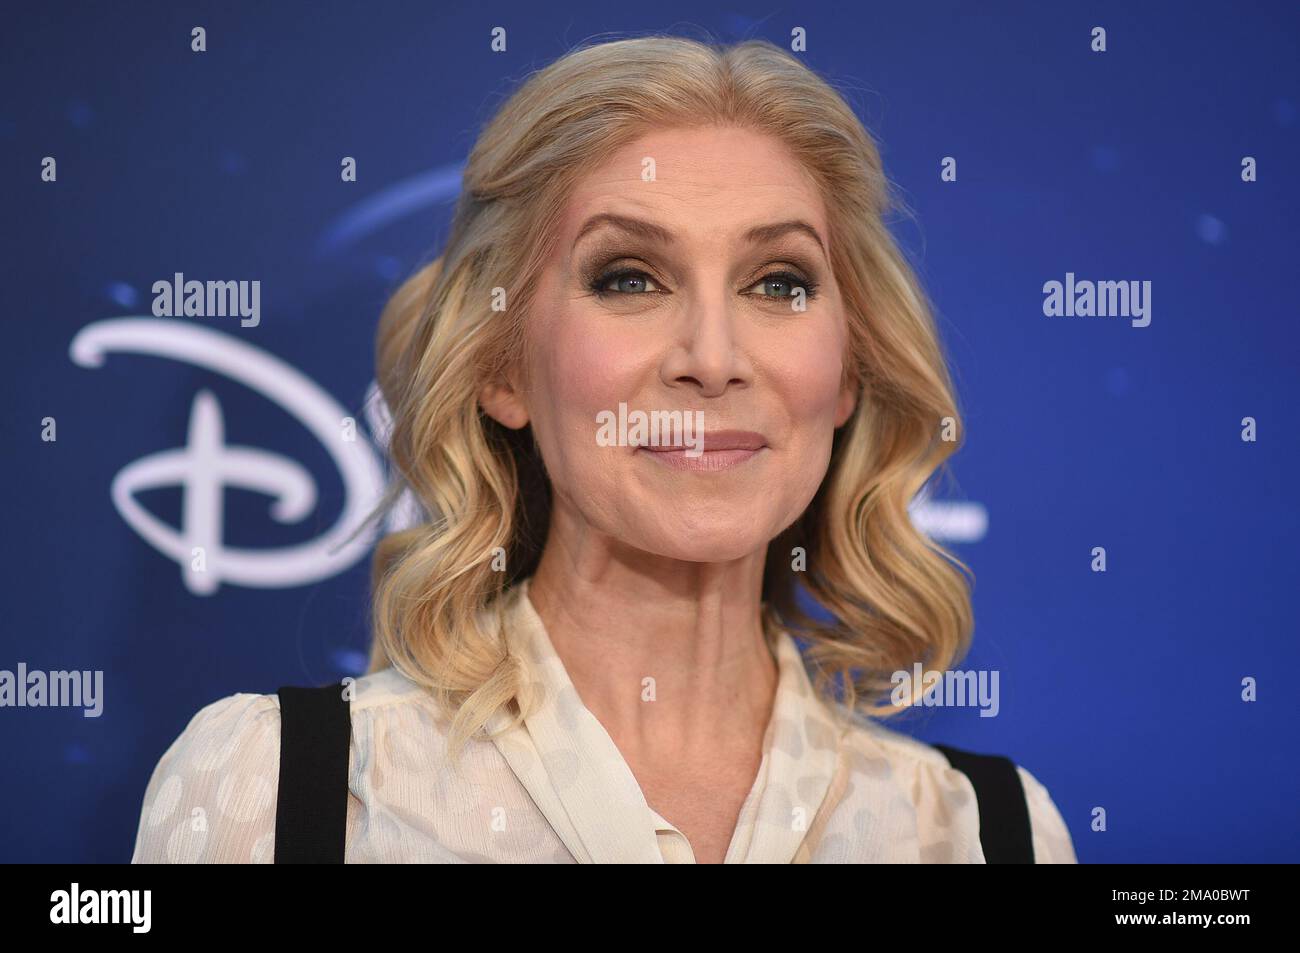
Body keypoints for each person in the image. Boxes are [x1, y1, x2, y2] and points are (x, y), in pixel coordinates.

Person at [131, 34, 1077, 864]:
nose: (713, 358)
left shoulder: (987, 834)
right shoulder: (287, 793)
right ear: (502, 367)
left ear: (847, 372)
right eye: (629, 277)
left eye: (778, 283)